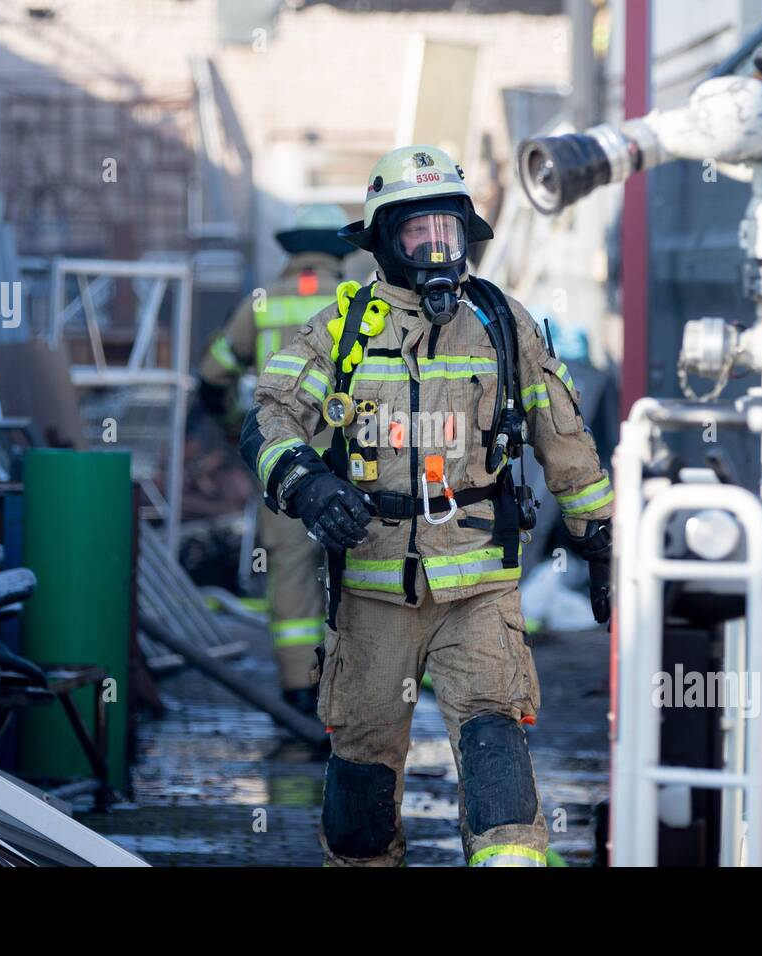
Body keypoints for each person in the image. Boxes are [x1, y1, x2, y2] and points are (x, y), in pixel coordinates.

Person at [240, 145, 613, 867]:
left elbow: (563, 433)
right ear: (384, 241)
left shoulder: (502, 324)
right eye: (419, 234)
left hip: (479, 590)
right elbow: (270, 417)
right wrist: (309, 483)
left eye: (448, 231)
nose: (437, 249)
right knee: (360, 785)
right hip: (374, 598)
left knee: (495, 746)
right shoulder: (342, 331)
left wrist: (599, 536)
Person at [196, 203, 353, 714]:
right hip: (355, 466)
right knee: (361, 574)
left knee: (289, 572)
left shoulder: (260, 304)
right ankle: (354, 690)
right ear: (339, 252)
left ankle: (298, 688)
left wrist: (241, 432)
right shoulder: (359, 303)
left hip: (282, 465)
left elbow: (213, 376)